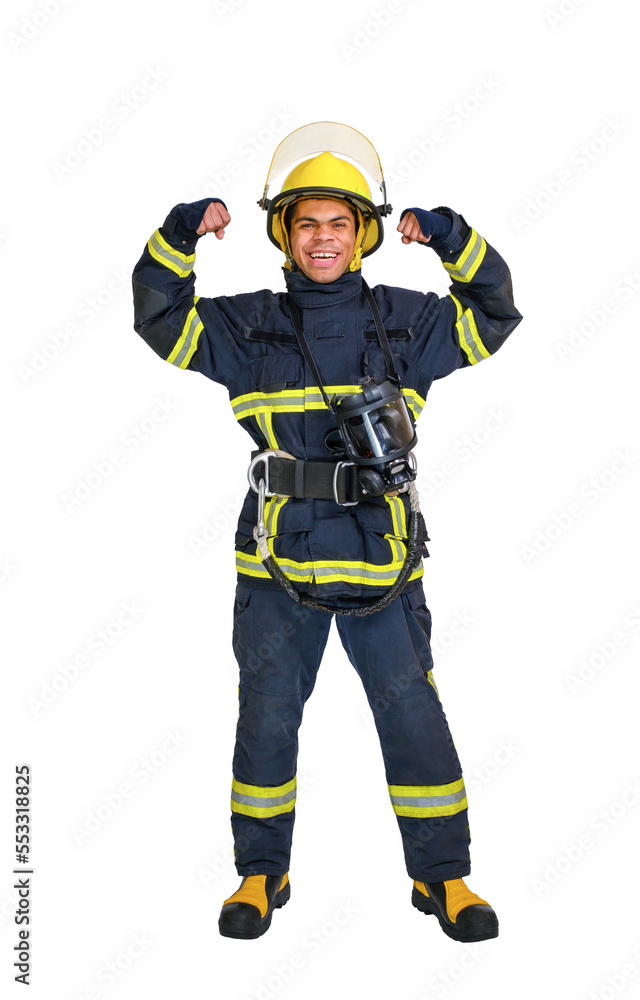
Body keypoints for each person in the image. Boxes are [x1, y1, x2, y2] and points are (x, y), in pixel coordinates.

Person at [132, 123, 522, 943]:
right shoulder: (246, 328)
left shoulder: (408, 324)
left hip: (383, 563)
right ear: (284, 232)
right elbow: (160, 320)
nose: (322, 238)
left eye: (338, 223)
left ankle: (442, 876)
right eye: (306, 222)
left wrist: (449, 234)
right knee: (266, 715)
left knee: (412, 716)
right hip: (276, 564)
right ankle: (259, 872)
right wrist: (177, 235)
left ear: (363, 234)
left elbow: (494, 312)